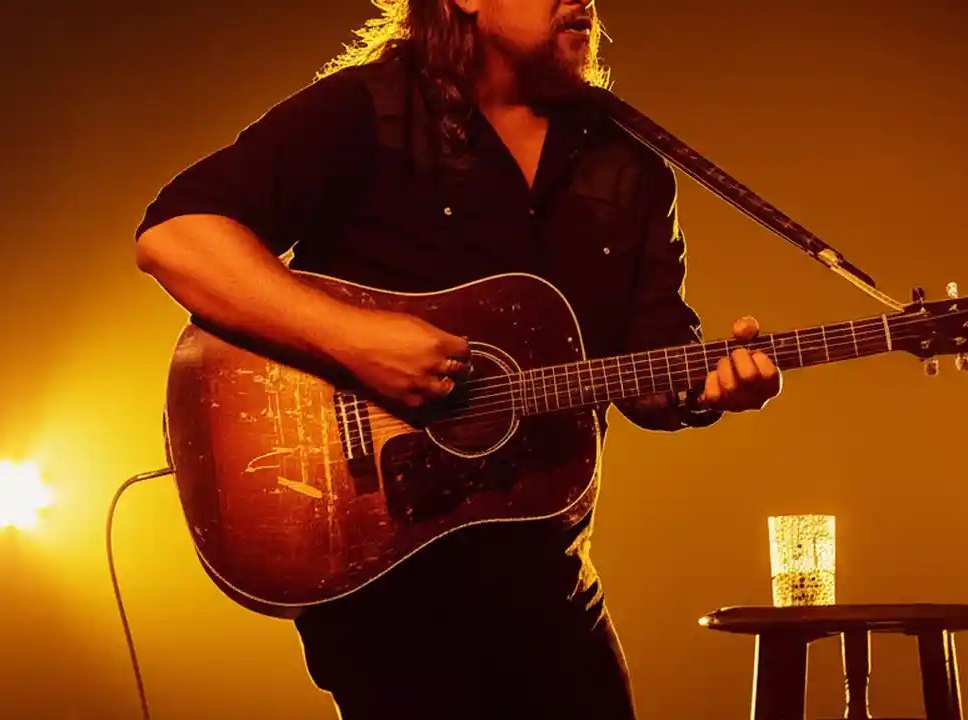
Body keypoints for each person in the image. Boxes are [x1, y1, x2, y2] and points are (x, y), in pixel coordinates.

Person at [134, 1, 781, 717]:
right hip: (386, 576)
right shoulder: (369, 112)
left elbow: (649, 359)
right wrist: (357, 339)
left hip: (549, 575)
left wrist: (706, 387)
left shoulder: (625, 162)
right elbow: (177, 238)